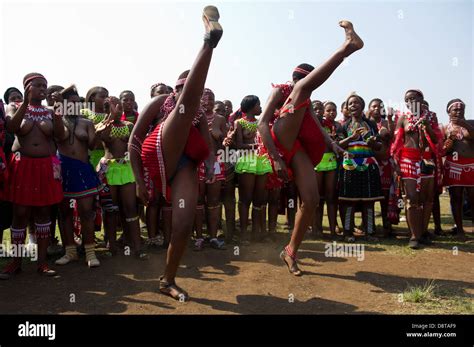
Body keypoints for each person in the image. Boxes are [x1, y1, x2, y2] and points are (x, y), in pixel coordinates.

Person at [128, 5, 223, 300]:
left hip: (184, 166)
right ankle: (208, 42)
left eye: (190, 88)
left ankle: (167, 279)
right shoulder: (161, 102)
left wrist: (211, 168)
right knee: (184, 111)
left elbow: (208, 150)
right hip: (155, 156)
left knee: (182, 225)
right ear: (176, 87)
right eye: (182, 87)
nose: (187, 92)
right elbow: (133, 140)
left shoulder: (198, 116)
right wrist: (140, 182)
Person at [258, 20, 362, 276]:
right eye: (301, 81)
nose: (302, 86)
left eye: (305, 82)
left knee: (313, 200)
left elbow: (317, 128)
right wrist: (277, 159)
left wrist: (335, 146)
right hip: (277, 144)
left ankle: (290, 251)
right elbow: (261, 124)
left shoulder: (305, 102)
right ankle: (347, 47)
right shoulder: (282, 91)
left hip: (298, 149)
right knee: (302, 91)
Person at [1, 73, 65, 279]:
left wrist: (56, 112)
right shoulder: (14, 107)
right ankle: (16, 262)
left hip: (45, 166)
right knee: (20, 213)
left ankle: (42, 263)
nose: (42, 88)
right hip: (23, 165)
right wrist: (26, 103)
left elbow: (61, 135)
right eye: (37, 85)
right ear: (27, 87)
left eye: (44, 85)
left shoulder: (49, 110)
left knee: (44, 213)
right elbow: (12, 128)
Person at [53, 86, 101, 267]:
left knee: (86, 213)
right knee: (64, 213)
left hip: (82, 169)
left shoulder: (87, 123)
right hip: (63, 169)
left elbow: (92, 146)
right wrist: (58, 110)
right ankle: (70, 251)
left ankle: (90, 253)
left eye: (78, 103)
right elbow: (59, 135)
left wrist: (99, 133)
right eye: (71, 103)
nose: (75, 106)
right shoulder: (56, 120)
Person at [96, 96, 147, 259]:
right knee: (111, 210)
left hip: (125, 168)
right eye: (114, 106)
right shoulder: (101, 126)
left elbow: (134, 147)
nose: (119, 108)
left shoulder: (129, 125)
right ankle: (112, 247)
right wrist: (110, 118)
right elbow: (102, 137)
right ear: (106, 110)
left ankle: (137, 247)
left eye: (119, 105)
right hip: (109, 169)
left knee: (130, 208)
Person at [391, 89, 440, 249]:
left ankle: (423, 232)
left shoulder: (431, 116)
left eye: (414, 98)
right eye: (407, 99)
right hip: (407, 159)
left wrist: (427, 127)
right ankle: (414, 236)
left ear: (421, 99)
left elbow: (436, 140)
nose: (410, 102)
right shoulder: (403, 117)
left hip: (426, 159)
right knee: (412, 198)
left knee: (427, 200)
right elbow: (397, 142)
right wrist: (396, 164)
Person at [338, 94, 384, 242]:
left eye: (356, 103)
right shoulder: (343, 126)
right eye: (350, 103)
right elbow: (337, 146)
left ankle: (369, 232)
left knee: (369, 201)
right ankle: (347, 232)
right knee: (348, 201)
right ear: (347, 108)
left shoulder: (370, 124)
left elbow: (378, 146)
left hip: (369, 165)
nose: (353, 105)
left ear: (362, 106)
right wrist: (351, 138)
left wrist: (370, 140)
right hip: (350, 166)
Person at [234, 95, 272, 243]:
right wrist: (257, 146)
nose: (261, 107)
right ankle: (243, 233)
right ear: (251, 107)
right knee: (245, 198)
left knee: (259, 198)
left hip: (261, 161)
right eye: (258, 105)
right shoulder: (239, 123)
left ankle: (256, 233)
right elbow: (238, 145)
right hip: (247, 160)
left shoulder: (261, 123)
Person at [194, 88, 227, 250]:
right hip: (197, 162)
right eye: (204, 99)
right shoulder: (193, 118)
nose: (208, 102)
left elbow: (227, 145)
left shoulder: (220, 119)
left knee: (213, 201)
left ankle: (213, 237)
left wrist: (218, 136)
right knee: (198, 200)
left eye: (211, 99)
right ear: (199, 101)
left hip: (215, 162)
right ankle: (199, 237)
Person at [443, 99, 474, 241]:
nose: (458, 111)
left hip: (471, 165)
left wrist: (464, 124)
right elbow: (442, 151)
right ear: (449, 112)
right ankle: (459, 229)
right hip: (454, 165)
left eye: (461, 109)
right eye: (455, 110)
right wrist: (448, 144)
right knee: (456, 197)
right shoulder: (444, 128)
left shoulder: (471, 123)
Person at [313, 101, 343, 239]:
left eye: (334, 110)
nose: (331, 112)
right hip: (317, 161)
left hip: (331, 161)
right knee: (317, 198)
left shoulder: (337, 126)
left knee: (331, 197)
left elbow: (339, 142)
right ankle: (316, 230)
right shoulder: (313, 124)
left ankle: (332, 231)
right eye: (328, 110)